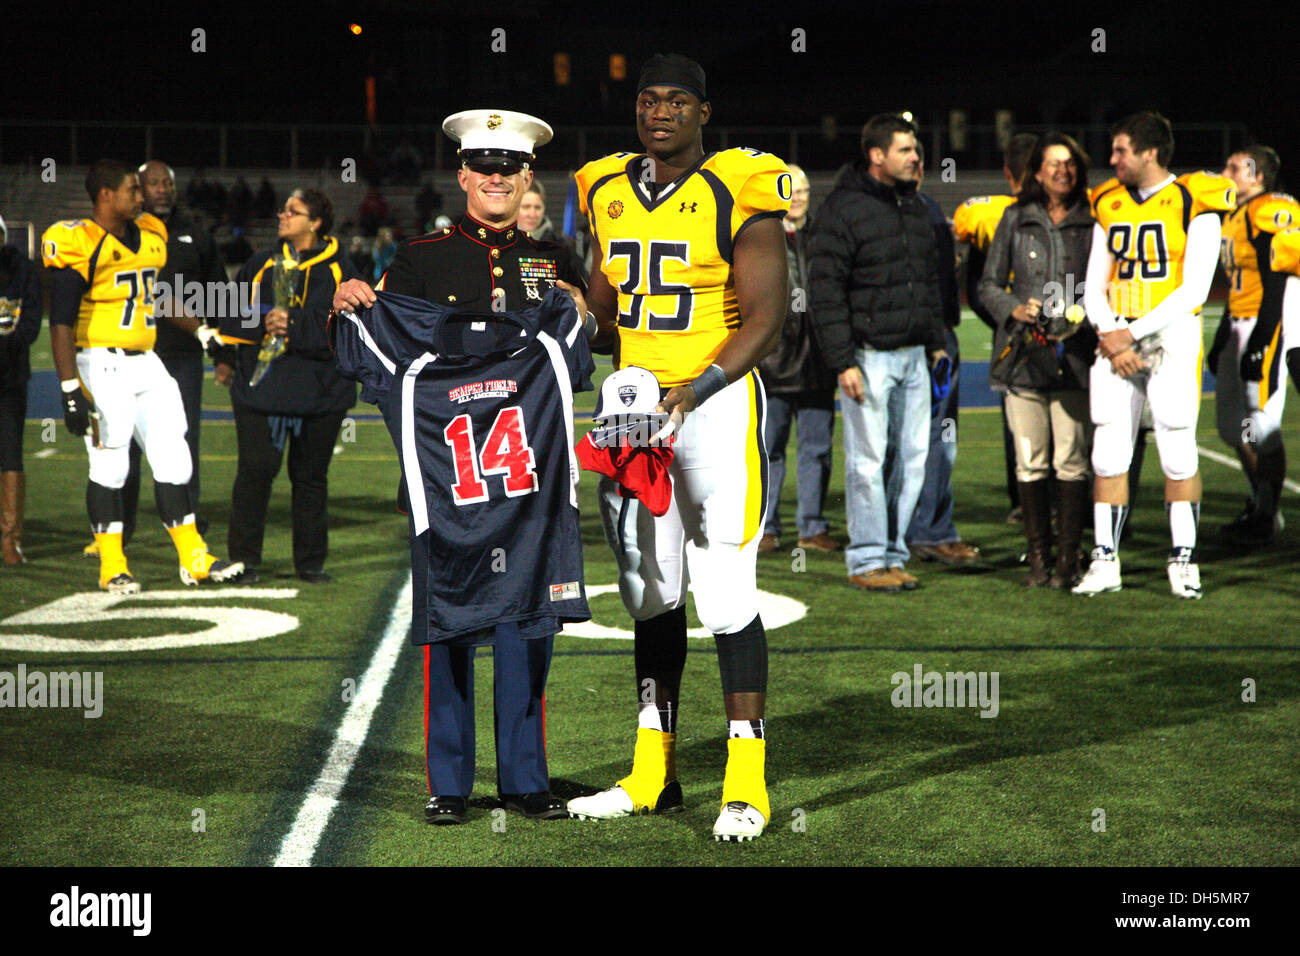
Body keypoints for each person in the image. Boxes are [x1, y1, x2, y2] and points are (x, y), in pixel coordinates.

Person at [331, 109, 589, 826]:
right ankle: (448, 781)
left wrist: (581, 314)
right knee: (448, 622)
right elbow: (379, 336)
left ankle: (525, 780)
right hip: (452, 482)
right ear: (464, 175)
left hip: (528, 476)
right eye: (487, 168)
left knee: (529, 623)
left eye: (512, 169)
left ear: (527, 176)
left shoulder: (549, 262)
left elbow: (580, 357)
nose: (499, 179)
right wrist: (350, 304)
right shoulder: (419, 257)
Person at [564, 53, 790, 842]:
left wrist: (695, 388)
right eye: (647, 99)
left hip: (714, 407)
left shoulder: (738, 185)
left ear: (703, 112)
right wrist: (553, 312)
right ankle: (651, 773)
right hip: (632, 410)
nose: (658, 112)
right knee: (649, 594)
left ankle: (746, 784)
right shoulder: (602, 186)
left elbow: (767, 316)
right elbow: (603, 300)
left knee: (726, 588)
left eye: (676, 101)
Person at [41, 159, 241, 592]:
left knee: (174, 453)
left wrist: (203, 331)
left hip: (147, 359)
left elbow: (157, 296)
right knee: (111, 465)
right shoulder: (79, 241)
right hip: (101, 362)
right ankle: (112, 564)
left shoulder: (151, 233)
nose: (142, 196)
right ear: (106, 195)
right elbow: (60, 320)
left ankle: (194, 557)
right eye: (133, 189)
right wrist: (69, 386)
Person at [1073, 112, 1235, 599]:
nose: (1112, 158)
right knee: (1108, 453)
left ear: (1149, 152)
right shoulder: (1108, 200)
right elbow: (1093, 282)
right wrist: (1110, 330)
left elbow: (1195, 290)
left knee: (1178, 450)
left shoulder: (1194, 198)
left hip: (1171, 340)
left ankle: (1183, 559)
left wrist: (1131, 333)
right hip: (1117, 339)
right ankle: (1106, 561)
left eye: (1121, 150)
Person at [810, 113, 948, 595]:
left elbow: (926, 281)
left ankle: (893, 554)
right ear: (877, 156)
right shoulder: (842, 209)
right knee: (867, 462)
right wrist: (842, 359)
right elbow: (824, 290)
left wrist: (934, 342)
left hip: (913, 354)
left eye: (915, 150)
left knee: (912, 459)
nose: (916, 158)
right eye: (906, 150)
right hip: (867, 357)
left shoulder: (912, 207)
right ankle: (867, 558)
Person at [83, 161, 227, 559]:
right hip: (116, 355)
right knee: (117, 449)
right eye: (150, 184)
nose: (160, 190)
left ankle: (189, 534)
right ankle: (115, 537)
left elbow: (208, 290)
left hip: (174, 356)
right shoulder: (104, 236)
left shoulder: (183, 233)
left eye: (167, 183)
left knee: (178, 444)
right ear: (136, 190)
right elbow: (67, 310)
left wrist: (212, 337)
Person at [215, 189, 357, 584]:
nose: (283, 216)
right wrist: (227, 357)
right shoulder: (261, 261)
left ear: (315, 222)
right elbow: (233, 310)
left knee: (311, 476)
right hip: (261, 385)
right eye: (283, 209)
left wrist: (293, 327)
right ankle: (244, 560)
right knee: (255, 471)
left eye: (293, 212)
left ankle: (310, 563)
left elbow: (349, 329)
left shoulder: (342, 268)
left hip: (321, 388)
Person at [979, 134, 1098, 588]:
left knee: (1071, 461)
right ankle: (1037, 560)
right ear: (1037, 170)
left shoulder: (1093, 220)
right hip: (1023, 357)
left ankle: (1068, 560)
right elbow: (987, 285)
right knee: (1031, 461)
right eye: (1053, 164)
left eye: (1069, 164)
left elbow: (1104, 284)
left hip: (1076, 356)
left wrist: (1085, 316)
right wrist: (1013, 308)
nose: (1061, 172)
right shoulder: (1015, 217)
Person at [1211, 146, 1299, 545]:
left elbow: (1277, 279)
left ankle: (1266, 511)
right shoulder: (1233, 215)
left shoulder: (1271, 209)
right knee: (1236, 426)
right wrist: (1221, 338)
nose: (1226, 171)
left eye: (1235, 167)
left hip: (1269, 325)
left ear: (1257, 174)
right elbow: (1233, 287)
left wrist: (1263, 341)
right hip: (1237, 323)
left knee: (1261, 424)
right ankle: (1261, 502)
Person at [903, 144, 980, 566]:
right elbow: (938, 285)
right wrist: (939, 338)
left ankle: (899, 533)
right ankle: (927, 531)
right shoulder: (923, 210)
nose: (915, 163)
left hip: (907, 340)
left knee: (904, 442)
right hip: (926, 341)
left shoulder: (916, 209)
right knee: (936, 438)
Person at [955, 132, 1038, 524]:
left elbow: (977, 288)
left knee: (1018, 424)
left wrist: (1005, 322)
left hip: (1012, 334)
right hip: (1057, 332)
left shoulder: (989, 215)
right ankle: (1051, 504)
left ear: (1008, 172)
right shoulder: (1077, 210)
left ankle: (1025, 504)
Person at [758, 164, 837, 554]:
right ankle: (766, 526)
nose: (798, 196)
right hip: (773, 362)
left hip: (819, 360)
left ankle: (812, 527)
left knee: (816, 449)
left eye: (803, 189)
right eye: (790, 189)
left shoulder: (825, 236)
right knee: (767, 451)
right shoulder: (761, 237)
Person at [0, 214, 42, 565]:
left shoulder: (22, 270)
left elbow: (29, 323)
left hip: (10, 376)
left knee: (11, 453)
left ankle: (10, 540)